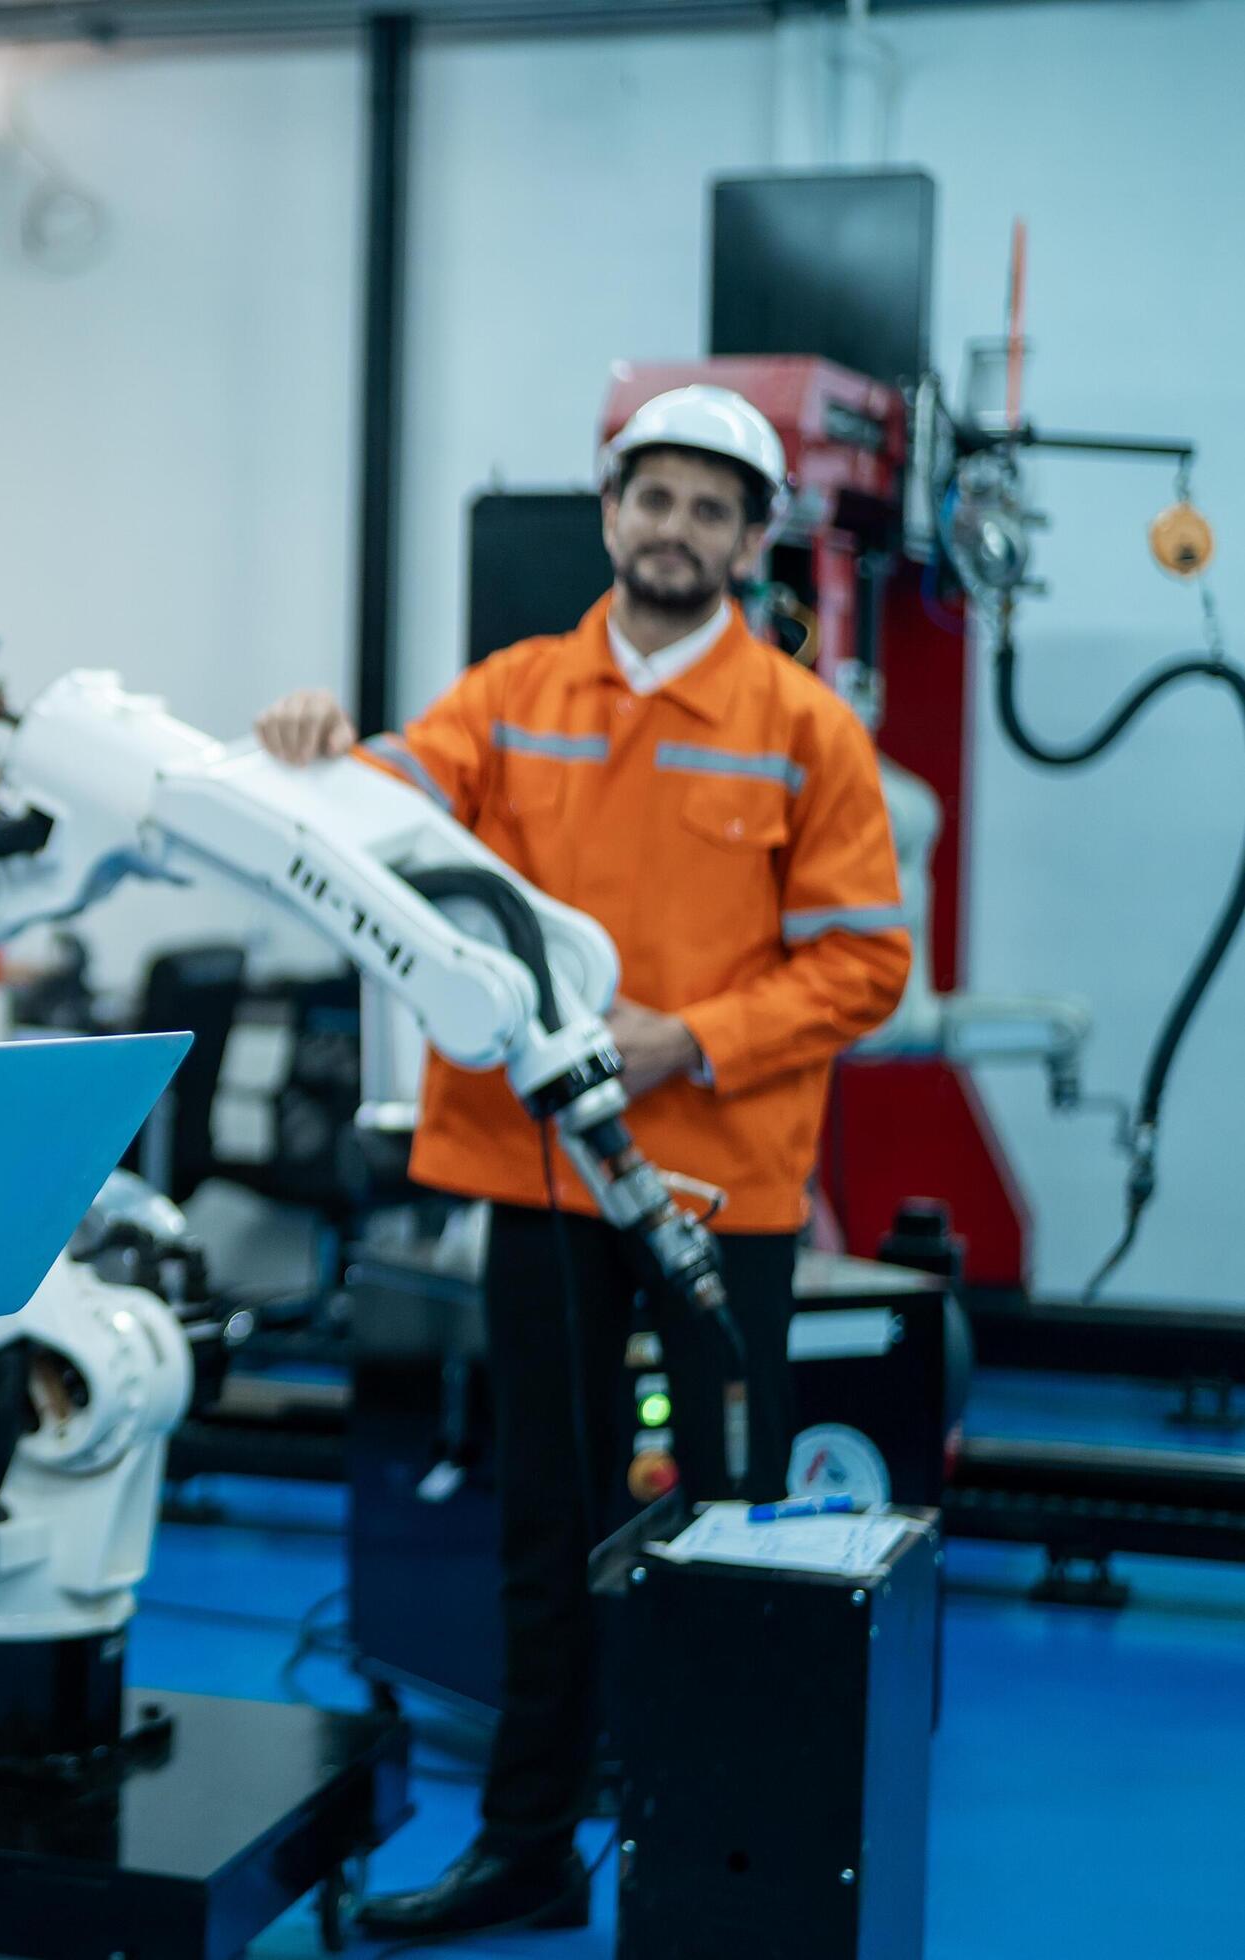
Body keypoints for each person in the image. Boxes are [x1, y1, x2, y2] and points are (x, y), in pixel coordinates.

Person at [254, 383, 912, 1938]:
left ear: (750, 542)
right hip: (535, 1176)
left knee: (730, 1531)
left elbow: (863, 968)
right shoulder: (513, 692)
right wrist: (308, 748)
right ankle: (530, 1847)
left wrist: (691, 1039)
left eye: (706, 508)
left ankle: (719, 1861)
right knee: (541, 1524)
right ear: (609, 513)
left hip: (714, 1191)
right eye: (649, 499)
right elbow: (377, 812)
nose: (670, 530)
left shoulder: (804, 733)